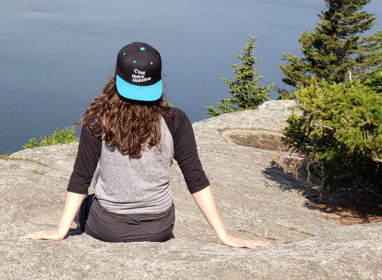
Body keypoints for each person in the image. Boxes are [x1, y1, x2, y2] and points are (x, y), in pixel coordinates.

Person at [24, 42, 269, 248]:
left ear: (116, 80)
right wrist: (224, 235)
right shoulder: (176, 120)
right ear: (157, 83)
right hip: (159, 226)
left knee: (86, 205)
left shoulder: (98, 120)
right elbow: (196, 179)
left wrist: (61, 230)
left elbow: (81, 177)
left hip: (108, 227)